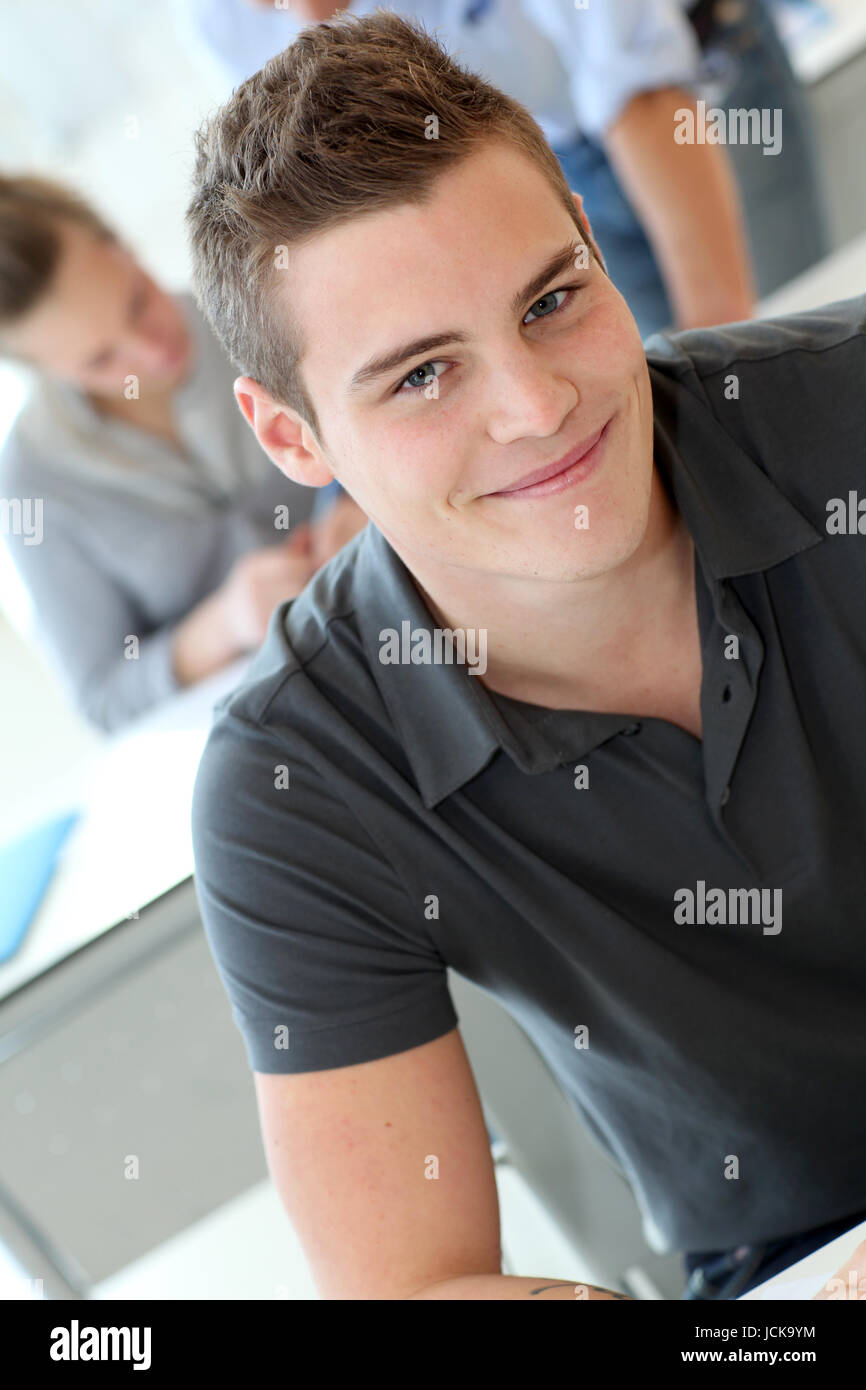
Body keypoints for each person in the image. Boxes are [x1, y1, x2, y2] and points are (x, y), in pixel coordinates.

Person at [189, 13, 866, 1300]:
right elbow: (411, 1288)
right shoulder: (295, 779)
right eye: (421, 376)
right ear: (291, 436)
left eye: (550, 302)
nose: (535, 404)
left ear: (595, 245)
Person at [186, 0, 823, 338]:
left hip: (688, 92)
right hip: (541, 153)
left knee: (779, 332)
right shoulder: (212, 18)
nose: (301, 16)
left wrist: (720, 348)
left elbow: (641, 92)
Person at [0, 176, 366, 733]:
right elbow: (103, 699)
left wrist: (369, 502)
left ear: (125, 248)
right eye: (100, 359)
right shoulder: (34, 485)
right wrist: (226, 623)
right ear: (46, 371)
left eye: (137, 302)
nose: (151, 352)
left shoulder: (267, 311)